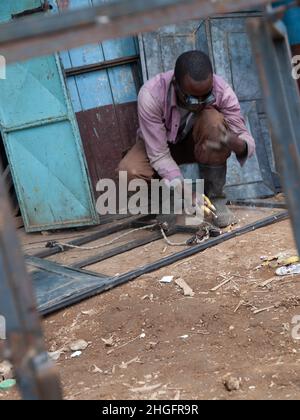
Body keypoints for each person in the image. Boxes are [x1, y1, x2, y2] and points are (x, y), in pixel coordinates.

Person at [119, 50, 256, 228]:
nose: (199, 102)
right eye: (192, 97)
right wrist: (187, 192)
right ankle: (164, 205)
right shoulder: (151, 94)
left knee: (214, 122)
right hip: (159, 147)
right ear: (176, 84)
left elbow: (244, 137)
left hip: (199, 145)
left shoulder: (222, 90)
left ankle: (216, 200)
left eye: (205, 96)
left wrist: (234, 142)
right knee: (130, 169)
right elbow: (159, 155)